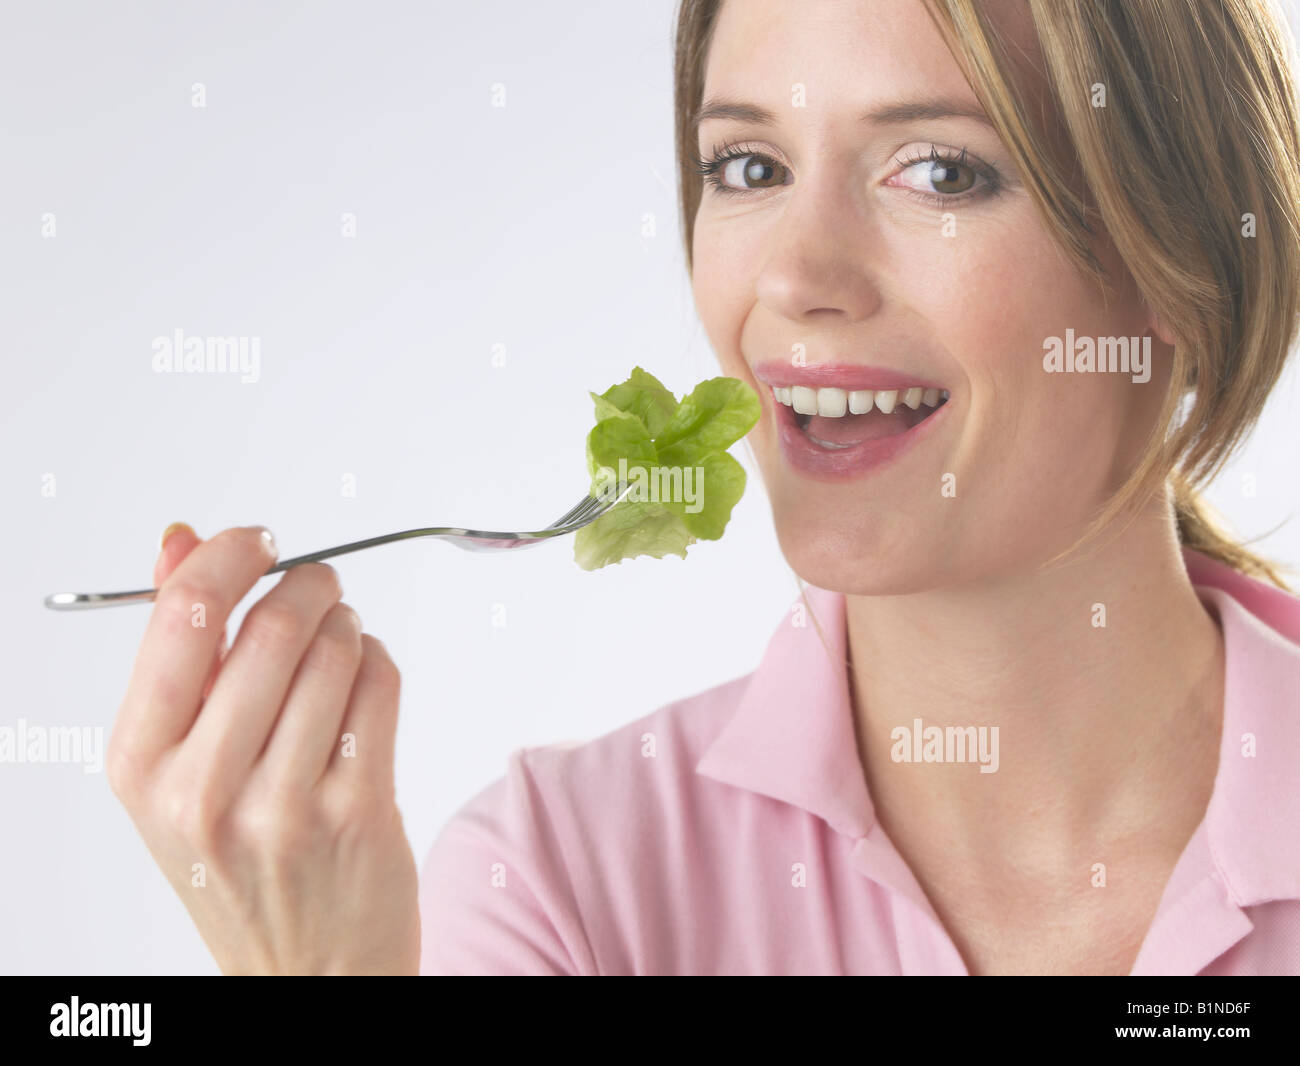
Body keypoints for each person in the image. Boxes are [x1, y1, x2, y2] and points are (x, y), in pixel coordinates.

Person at [108, 0, 1300, 975]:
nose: (794, 273)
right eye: (749, 164)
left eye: (938, 170)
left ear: (1182, 266)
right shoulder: (562, 881)